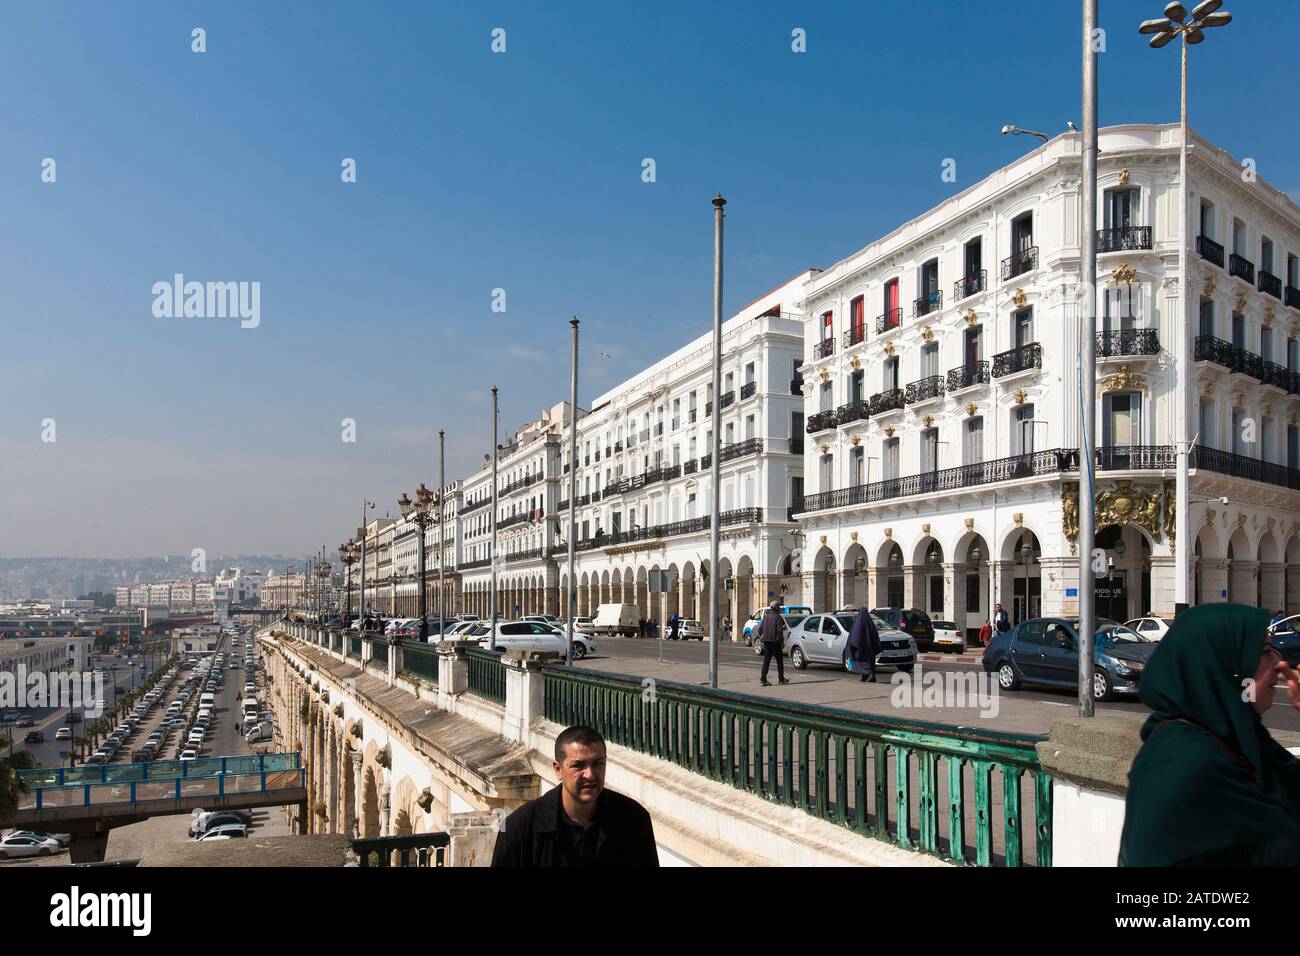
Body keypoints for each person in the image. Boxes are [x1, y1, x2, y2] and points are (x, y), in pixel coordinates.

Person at [1118, 604, 1300, 866]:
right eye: (1264, 652)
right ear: (1224, 667)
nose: (1279, 663)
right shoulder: (1183, 762)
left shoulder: (1243, 740)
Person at [491, 725, 659, 867]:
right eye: (578, 766)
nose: (590, 775)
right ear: (558, 770)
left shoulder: (634, 820)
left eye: (597, 764)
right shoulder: (519, 829)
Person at [758, 600, 790, 687]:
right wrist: (781, 642)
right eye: (778, 607)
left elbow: (759, 630)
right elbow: (779, 631)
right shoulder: (778, 617)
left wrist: (762, 637)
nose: (779, 608)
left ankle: (763, 679)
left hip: (766, 642)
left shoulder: (765, 617)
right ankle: (781, 679)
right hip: (775, 642)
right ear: (776, 608)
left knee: (766, 661)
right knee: (779, 661)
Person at [845, 606, 881, 682]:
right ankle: (868, 676)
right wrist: (876, 647)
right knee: (869, 663)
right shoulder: (870, 623)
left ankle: (867, 675)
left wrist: (854, 647)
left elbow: (854, 637)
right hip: (870, 649)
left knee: (863, 663)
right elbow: (875, 636)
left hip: (861, 649)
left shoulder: (857, 623)